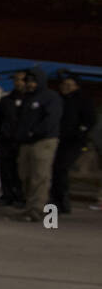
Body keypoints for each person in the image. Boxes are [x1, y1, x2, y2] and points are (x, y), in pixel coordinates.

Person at [12, 67, 61, 222]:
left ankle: (36, 209)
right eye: (28, 81)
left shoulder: (51, 97)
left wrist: (34, 132)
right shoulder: (27, 98)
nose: (30, 84)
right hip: (26, 142)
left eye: (33, 81)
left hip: (43, 141)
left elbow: (51, 120)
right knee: (24, 174)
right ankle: (29, 206)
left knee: (39, 176)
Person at [50, 73, 95, 214]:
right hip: (58, 140)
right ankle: (56, 199)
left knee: (61, 168)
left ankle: (62, 200)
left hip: (73, 142)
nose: (65, 88)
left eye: (69, 85)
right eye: (63, 85)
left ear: (76, 86)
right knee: (55, 169)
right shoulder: (58, 99)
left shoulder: (83, 101)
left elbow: (90, 120)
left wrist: (80, 133)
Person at [0, 71, 26, 207]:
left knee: (21, 172)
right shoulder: (6, 100)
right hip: (6, 141)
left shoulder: (31, 99)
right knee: (6, 170)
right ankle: (7, 196)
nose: (18, 82)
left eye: (21, 80)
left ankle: (21, 197)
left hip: (23, 143)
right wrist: (0, 134)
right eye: (16, 80)